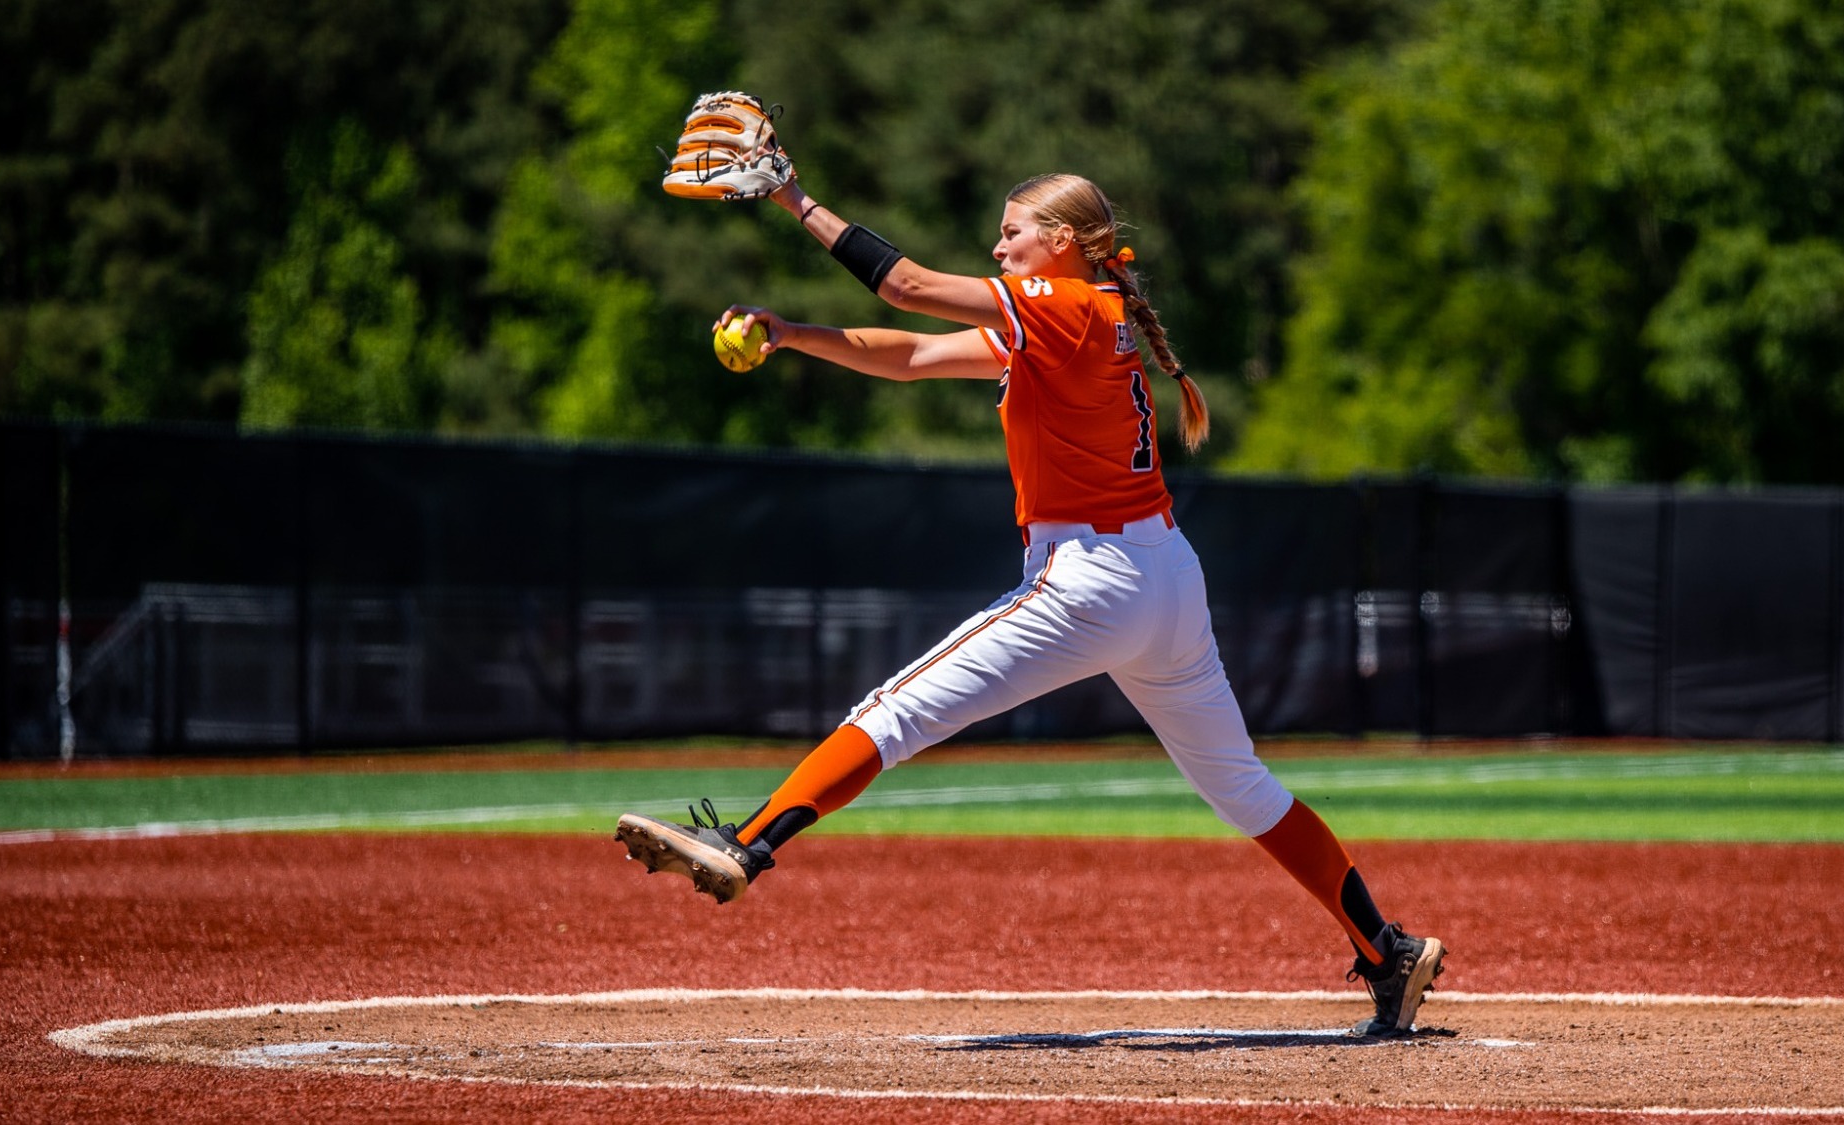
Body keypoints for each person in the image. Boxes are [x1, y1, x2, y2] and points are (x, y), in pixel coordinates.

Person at [617, 154, 1445, 1036]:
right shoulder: (1082, 315)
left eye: (1013, 232)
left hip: (1090, 578)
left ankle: (745, 846)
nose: (999, 244)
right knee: (1244, 789)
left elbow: (903, 288)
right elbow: (912, 355)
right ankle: (1386, 949)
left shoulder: (1071, 307)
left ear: (1060, 241)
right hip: (1165, 575)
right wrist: (792, 333)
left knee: (895, 710)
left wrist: (792, 197)